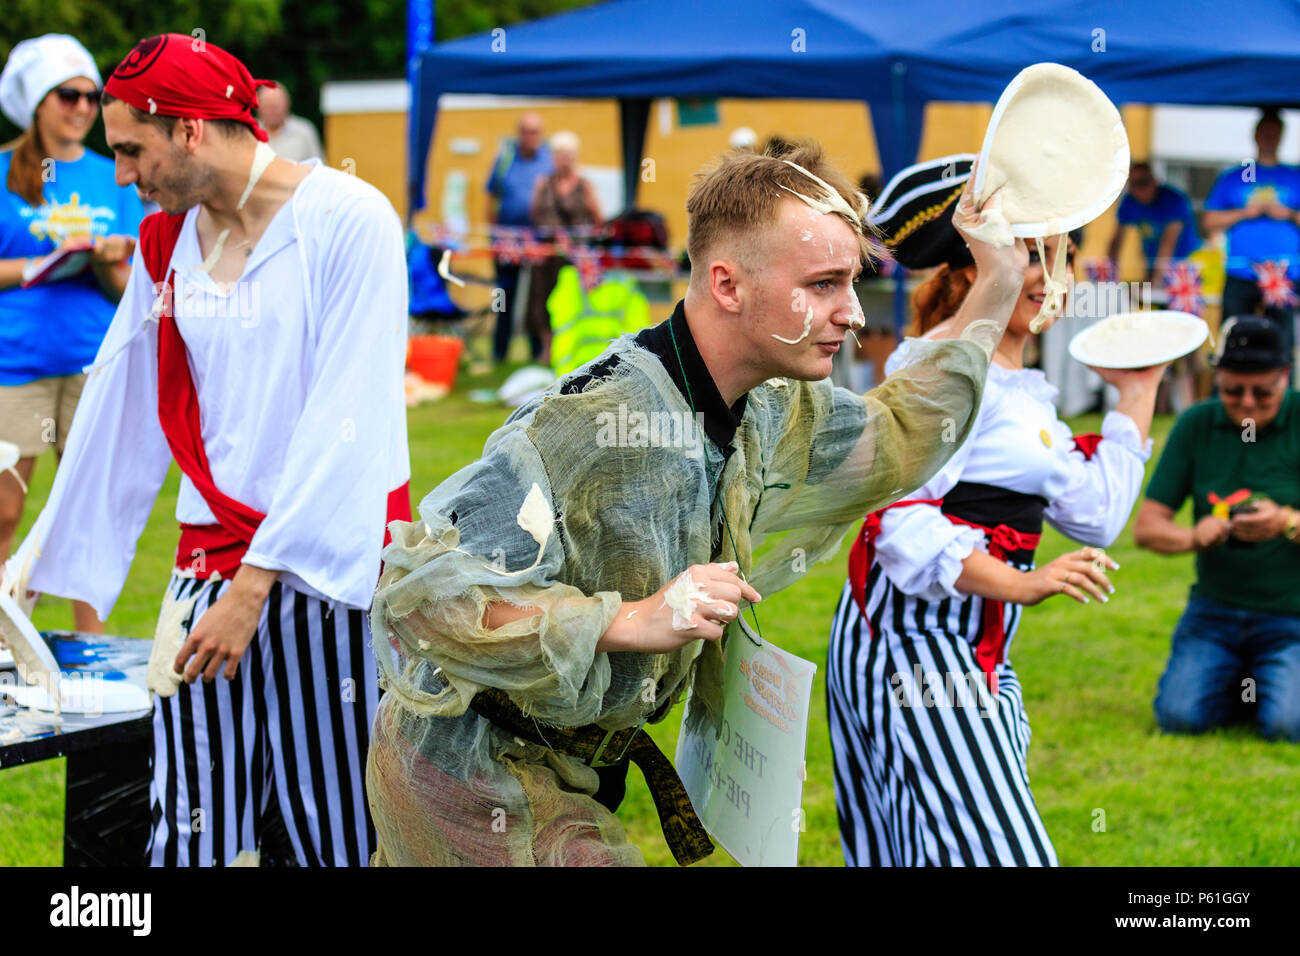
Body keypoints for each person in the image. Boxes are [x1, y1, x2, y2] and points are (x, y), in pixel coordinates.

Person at [363, 140, 1023, 867]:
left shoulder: (775, 407)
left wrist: (998, 280)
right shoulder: (594, 421)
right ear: (729, 286)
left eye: (853, 282)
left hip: (572, 768)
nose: (855, 314)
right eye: (825, 284)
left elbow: (901, 434)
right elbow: (419, 592)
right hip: (468, 771)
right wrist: (630, 619)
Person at [5, 34, 411, 866]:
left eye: (130, 149)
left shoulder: (349, 218)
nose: (120, 174)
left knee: (330, 822)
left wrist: (256, 583)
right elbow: (117, 413)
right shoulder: (168, 244)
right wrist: (32, 566)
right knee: (191, 818)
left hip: (327, 575)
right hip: (206, 571)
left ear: (189, 130)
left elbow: (352, 418)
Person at [828, 155, 1163, 867]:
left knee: (935, 845)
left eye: (1058, 253)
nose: (1048, 273)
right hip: (909, 641)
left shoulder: (1022, 385)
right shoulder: (944, 361)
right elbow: (900, 522)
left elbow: (1096, 515)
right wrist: (1025, 583)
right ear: (974, 268)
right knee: (998, 851)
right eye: (1029, 254)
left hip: (973, 643)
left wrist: (1136, 393)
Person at [0, 34, 143, 634]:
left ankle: (96, 645)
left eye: (92, 95)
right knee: (6, 509)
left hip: (93, 361)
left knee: (89, 510)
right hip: (16, 363)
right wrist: (39, 265)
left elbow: (132, 286)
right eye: (69, 95)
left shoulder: (118, 175)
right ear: (38, 101)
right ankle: (5, 631)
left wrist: (109, 260)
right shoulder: (6, 169)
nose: (83, 107)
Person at [1134, 315, 1300, 742]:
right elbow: (1148, 528)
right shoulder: (1197, 424)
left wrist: (1286, 521)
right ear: (1217, 379)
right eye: (1232, 391)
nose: (1246, 404)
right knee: (1179, 719)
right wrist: (1194, 537)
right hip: (1215, 614)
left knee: (1286, 727)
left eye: (1261, 393)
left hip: (1290, 617)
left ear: (1285, 376)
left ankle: (1261, 685)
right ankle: (1251, 682)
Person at [1203, 110, 1300, 361]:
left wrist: (1288, 214)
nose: (1269, 138)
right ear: (1255, 135)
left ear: (1281, 136)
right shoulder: (1238, 175)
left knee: (1281, 342)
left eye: (1274, 133)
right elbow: (1210, 221)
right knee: (1234, 338)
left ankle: (1282, 393)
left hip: (1283, 274)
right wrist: (1245, 212)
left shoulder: (1294, 176)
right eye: (1264, 133)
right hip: (1240, 271)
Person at [526, 130, 602, 365]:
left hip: (573, 258)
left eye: (568, 154)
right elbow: (534, 215)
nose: (563, 159)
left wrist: (582, 243)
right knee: (542, 300)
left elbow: (598, 218)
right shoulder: (543, 184)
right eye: (559, 154)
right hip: (546, 256)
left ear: (575, 156)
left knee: (570, 300)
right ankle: (547, 349)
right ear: (552, 157)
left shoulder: (584, 185)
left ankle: (572, 347)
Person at [486, 112, 552, 362]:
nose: (531, 136)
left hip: (537, 242)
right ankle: (499, 351)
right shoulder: (505, 160)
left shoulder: (548, 162)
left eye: (536, 131)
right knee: (504, 295)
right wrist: (493, 235)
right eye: (527, 131)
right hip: (506, 240)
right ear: (519, 134)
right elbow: (491, 198)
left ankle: (537, 352)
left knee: (536, 297)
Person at [1108, 161, 1200, 279]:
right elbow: (1116, 241)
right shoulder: (1129, 202)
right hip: (1153, 264)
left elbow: (1168, 243)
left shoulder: (1174, 200)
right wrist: (1110, 275)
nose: (1141, 189)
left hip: (1185, 265)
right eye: (1135, 184)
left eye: (1144, 182)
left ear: (1154, 181)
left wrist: (1156, 282)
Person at [256, 84, 323, 161]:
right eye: (267, 106)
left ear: (287, 104)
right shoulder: (247, 133)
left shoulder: (305, 131)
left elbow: (318, 168)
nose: (272, 111)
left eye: (276, 106)